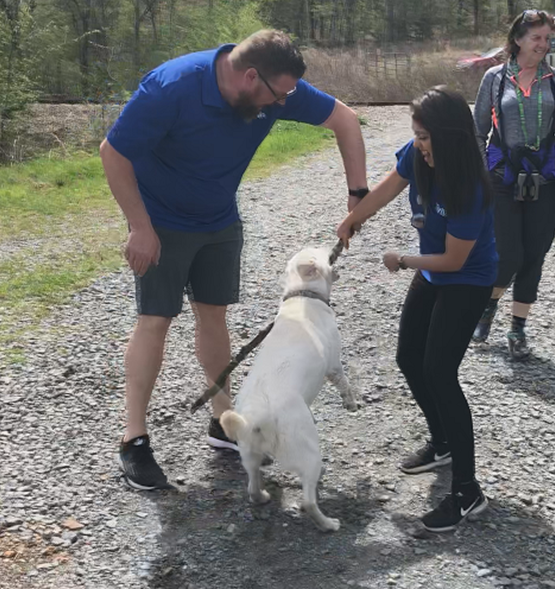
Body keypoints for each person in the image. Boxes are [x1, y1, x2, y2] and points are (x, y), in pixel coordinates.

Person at [102, 29, 368, 491]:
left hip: (219, 221)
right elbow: (114, 153)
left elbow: (345, 121)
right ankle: (134, 440)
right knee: (154, 320)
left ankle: (223, 422)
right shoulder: (171, 87)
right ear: (250, 77)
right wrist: (139, 227)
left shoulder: (275, 89)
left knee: (214, 318)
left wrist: (357, 194)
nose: (285, 104)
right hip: (161, 221)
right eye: (279, 95)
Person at [336, 87, 497, 532]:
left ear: (450, 136)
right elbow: (391, 183)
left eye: (425, 137)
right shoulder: (419, 156)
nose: (419, 144)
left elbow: (454, 260)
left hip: (466, 280)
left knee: (441, 374)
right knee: (409, 359)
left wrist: (402, 259)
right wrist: (354, 217)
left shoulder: (470, 187)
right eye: (416, 136)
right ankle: (441, 442)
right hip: (433, 274)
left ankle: (467, 491)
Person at [471, 10, 555, 360]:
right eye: (537, 38)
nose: (543, 45)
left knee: (534, 255)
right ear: (518, 39)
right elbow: (478, 130)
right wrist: (483, 173)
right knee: (508, 254)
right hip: (503, 177)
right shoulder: (494, 78)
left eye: (547, 39)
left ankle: (517, 330)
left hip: (546, 180)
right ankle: (487, 309)